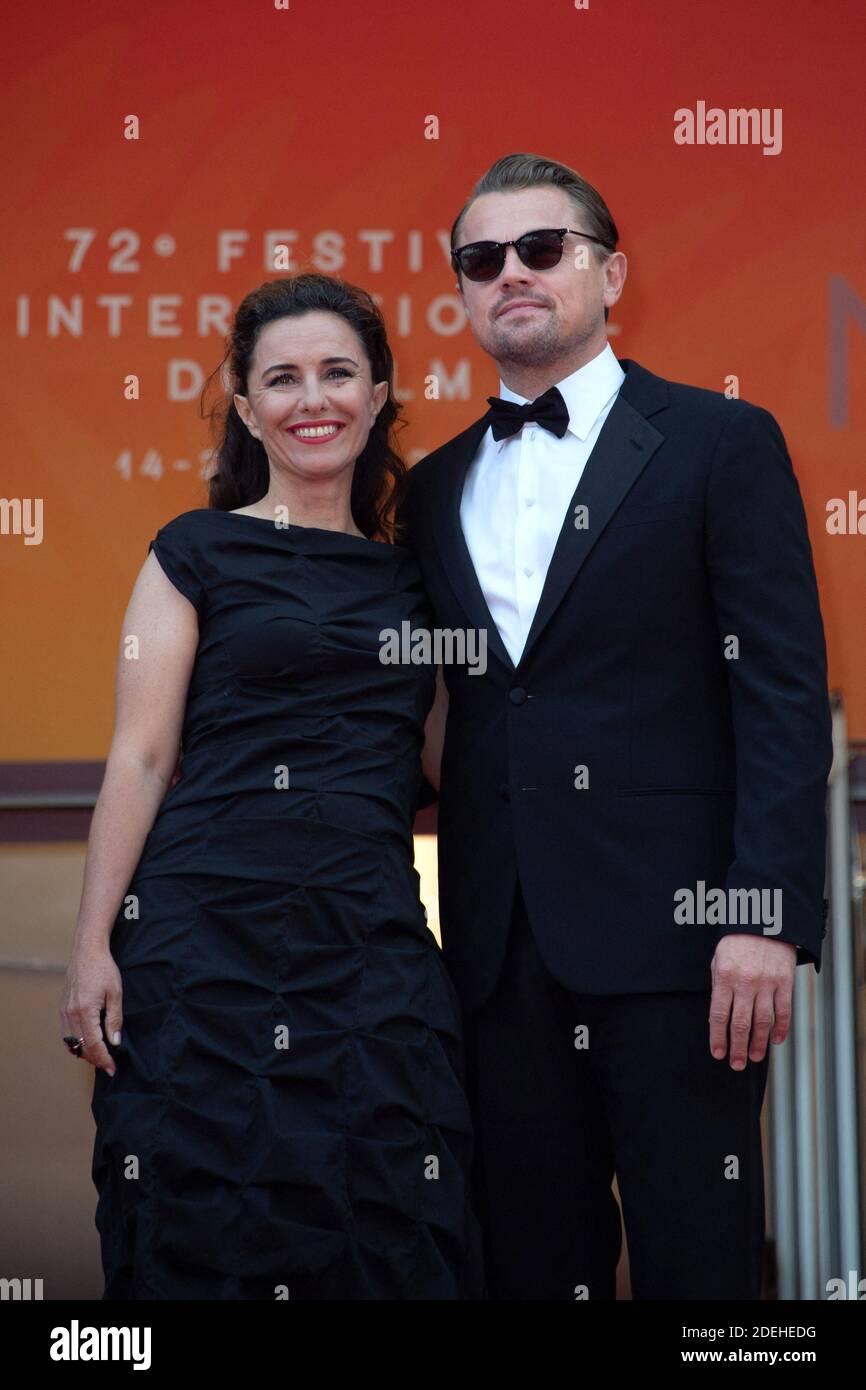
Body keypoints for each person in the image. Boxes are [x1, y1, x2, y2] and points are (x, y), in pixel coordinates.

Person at [398, 152, 833, 1300]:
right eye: (480, 260)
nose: (512, 275)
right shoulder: (433, 485)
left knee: (701, 1261)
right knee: (532, 1264)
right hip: (495, 947)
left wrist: (765, 914)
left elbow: (782, 693)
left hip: (685, 940)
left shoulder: (718, 442)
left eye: (542, 249)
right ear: (460, 294)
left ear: (609, 273)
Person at [61, 273, 486, 1300]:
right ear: (248, 411)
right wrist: (91, 946)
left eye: (337, 372)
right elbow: (142, 757)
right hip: (199, 947)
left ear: (377, 392)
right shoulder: (194, 550)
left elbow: (451, 764)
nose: (313, 399)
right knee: (199, 1218)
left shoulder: (416, 576)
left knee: (390, 1216)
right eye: (282, 379)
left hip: (369, 949)